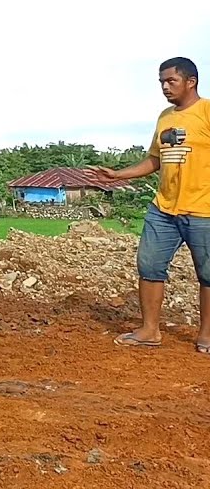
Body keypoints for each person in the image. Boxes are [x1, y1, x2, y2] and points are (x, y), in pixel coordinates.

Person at [86, 57, 210, 353]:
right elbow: (155, 159)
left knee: (207, 273)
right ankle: (149, 330)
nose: (165, 87)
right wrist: (118, 174)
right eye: (161, 83)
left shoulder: (207, 111)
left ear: (191, 81)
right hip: (164, 209)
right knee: (149, 265)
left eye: (171, 81)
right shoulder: (165, 116)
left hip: (203, 209)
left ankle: (207, 334)